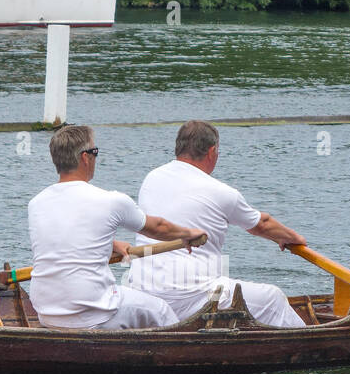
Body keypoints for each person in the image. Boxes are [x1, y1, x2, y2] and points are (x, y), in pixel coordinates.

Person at [125, 121, 309, 328]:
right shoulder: (222, 192)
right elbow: (261, 224)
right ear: (212, 152)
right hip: (191, 296)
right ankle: (311, 345)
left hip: (144, 291)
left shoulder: (151, 178)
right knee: (273, 298)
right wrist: (293, 238)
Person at [27, 125, 203, 329]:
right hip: (94, 312)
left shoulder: (37, 203)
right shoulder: (111, 201)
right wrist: (189, 234)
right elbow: (158, 227)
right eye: (95, 152)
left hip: (47, 313)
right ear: (85, 158)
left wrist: (109, 244)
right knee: (161, 310)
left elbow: (65, 236)